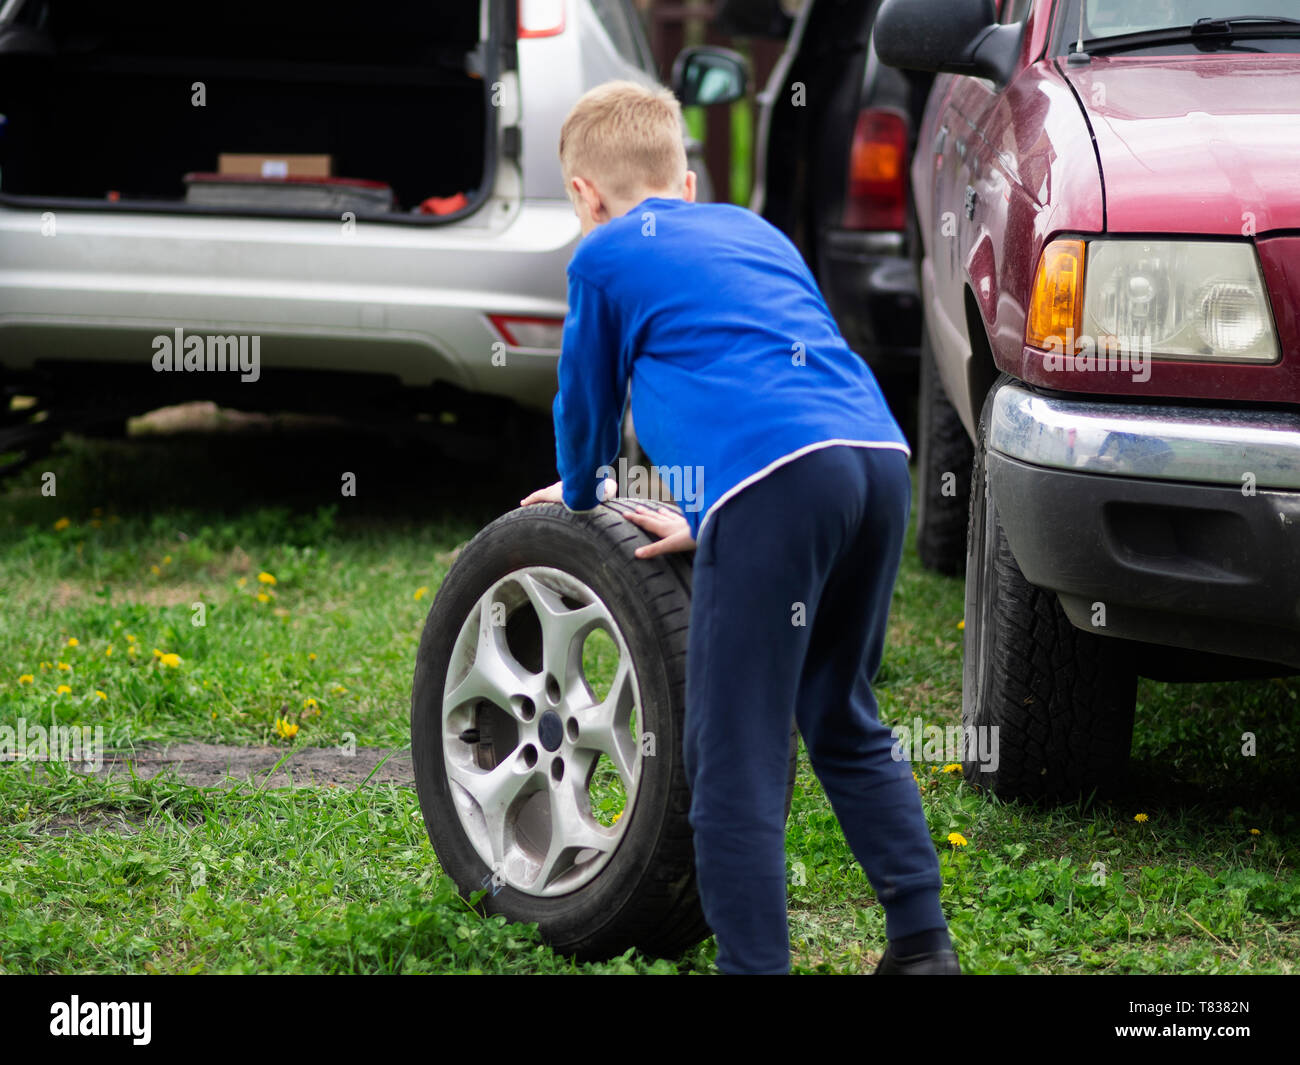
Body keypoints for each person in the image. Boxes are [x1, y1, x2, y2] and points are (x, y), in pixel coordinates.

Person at [521, 80, 959, 975]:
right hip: (874, 456)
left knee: (733, 764)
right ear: (688, 185)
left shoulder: (602, 259)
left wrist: (577, 500)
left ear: (584, 197)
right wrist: (712, 510)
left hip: (777, 484)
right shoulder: (756, 233)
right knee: (840, 710)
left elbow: (587, 411)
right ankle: (922, 945)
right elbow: (772, 374)